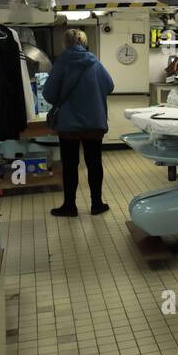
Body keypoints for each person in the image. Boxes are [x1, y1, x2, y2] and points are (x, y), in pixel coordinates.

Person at [42, 28, 114, 217]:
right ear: (84, 42)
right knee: (94, 164)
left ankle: (70, 206)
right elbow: (110, 86)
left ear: (65, 44)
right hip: (94, 123)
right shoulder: (95, 63)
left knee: (70, 166)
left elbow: (48, 94)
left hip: (68, 125)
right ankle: (97, 204)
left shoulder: (61, 64)